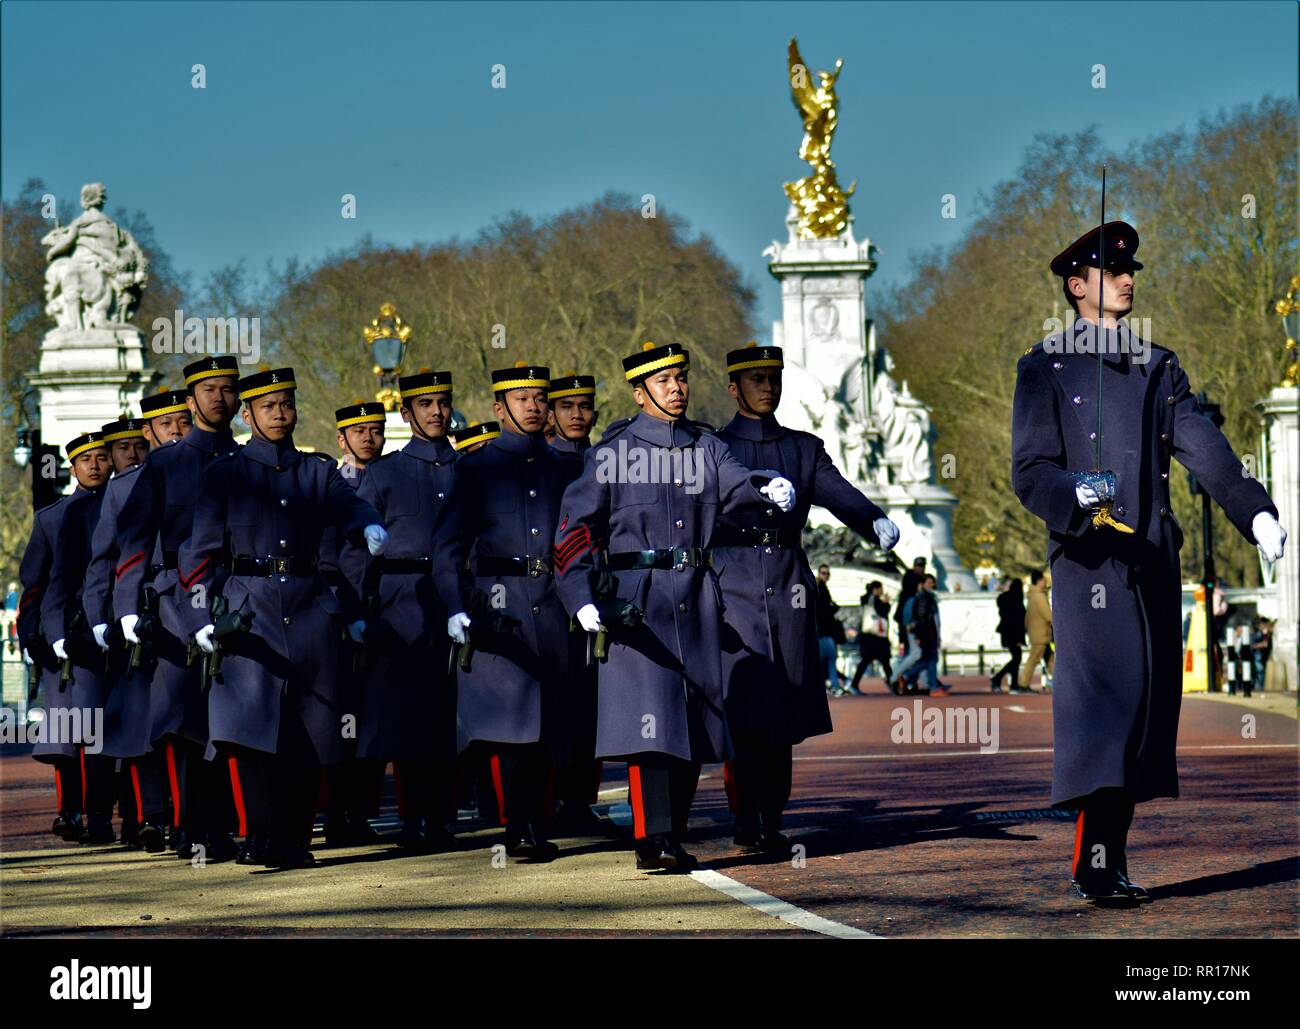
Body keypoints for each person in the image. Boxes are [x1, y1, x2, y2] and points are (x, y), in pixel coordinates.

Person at [1012, 219, 1287, 904]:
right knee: (1107, 711)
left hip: (1151, 565)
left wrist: (1253, 509)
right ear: (1077, 285)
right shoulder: (1043, 366)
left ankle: (1107, 858)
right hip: (1090, 565)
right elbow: (1029, 469)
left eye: (1131, 270)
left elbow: (1206, 447)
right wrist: (1069, 493)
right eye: (1112, 271)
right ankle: (1096, 863)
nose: (1129, 279)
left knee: (1140, 721)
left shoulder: (1157, 365)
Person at [554, 341, 797, 871]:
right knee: (652, 723)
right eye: (664, 382)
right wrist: (580, 598)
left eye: (681, 378)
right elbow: (573, 530)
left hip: (696, 596)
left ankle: (672, 833)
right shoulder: (612, 454)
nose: (678, 388)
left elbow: (736, 482)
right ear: (640, 393)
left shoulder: (705, 447)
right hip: (637, 601)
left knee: (689, 720)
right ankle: (653, 837)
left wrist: (765, 486)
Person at [176, 366, 388, 869]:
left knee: (310, 732)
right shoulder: (225, 474)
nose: (279, 414)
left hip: (310, 606)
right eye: (268, 406)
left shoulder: (316, 471)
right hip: (250, 609)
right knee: (252, 731)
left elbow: (347, 505)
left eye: (286, 404)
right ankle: (261, 835)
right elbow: (199, 553)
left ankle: (295, 838)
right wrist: (201, 615)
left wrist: (369, 523)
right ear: (248, 414)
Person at [713, 342, 897, 849]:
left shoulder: (803, 447)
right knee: (745, 705)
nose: (767, 387)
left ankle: (772, 814)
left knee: (783, 707)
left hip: (789, 579)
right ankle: (746, 816)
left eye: (772, 379)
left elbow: (837, 492)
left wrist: (871, 518)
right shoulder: (714, 447)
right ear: (734, 388)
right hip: (734, 580)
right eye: (755, 380)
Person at [434, 362, 581, 862]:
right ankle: (518, 826)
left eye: (541, 399)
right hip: (501, 604)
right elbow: (449, 545)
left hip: (552, 600)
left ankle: (535, 822)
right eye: (523, 400)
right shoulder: (477, 467)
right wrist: (454, 606)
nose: (536, 407)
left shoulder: (565, 466)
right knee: (514, 723)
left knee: (546, 724)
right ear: (500, 409)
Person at [115, 358, 243, 859]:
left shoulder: (250, 458)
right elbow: (133, 540)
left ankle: (227, 824)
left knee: (232, 712)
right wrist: (127, 605)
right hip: (175, 596)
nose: (219, 398)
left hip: (240, 589)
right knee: (182, 715)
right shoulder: (164, 465)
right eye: (208, 390)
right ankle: (186, 824)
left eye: (228, 390)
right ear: (191, 401)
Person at [342, 373, 461, 852]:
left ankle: (443, 817)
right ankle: (415, 819)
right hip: (401, 604)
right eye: (425, 405)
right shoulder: (384, 473)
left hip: (458, 601)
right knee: (409, 718)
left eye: (443, 403)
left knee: (450, 715)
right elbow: (356, 550)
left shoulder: (471, 469)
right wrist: (356, 611)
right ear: (407, 415)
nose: (437, 412)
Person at [84, 409, 188, 854]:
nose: (178, 432)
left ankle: (192, 819)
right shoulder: (123, 488)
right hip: (148, 608)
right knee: (145, 715)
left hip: (204, 597)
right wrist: (105, 618)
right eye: (168, 426)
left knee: (193, 719)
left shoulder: (220, 471)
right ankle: (151, 815)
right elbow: (103, 560)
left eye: (184, 422)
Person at [26, 432, 113, 843]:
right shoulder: (51, 517)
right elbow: (34, 585)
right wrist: (32, 633)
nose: (94, 465)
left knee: (103, 732)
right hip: (62, 633)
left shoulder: (125, 509)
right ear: (72, 467)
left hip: (112, 630)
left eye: (101, 457)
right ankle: (71, 812)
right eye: (85, 459)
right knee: (68, 732)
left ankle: (101, 817)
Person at [319, 400, 387, 847]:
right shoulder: (329, 488)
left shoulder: (392, 479)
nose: (369, 438)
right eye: (359, 431)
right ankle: (336, 812)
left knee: (374, 721)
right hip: (343, 617)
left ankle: (361, 811)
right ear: (342, 439)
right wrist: (347, 614)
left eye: (376, 430)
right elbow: (327, 560)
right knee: (340, 720)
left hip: (385, 615)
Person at [545, 371, 605, 832]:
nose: (578, 415)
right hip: (556, 594)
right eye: (567, 407)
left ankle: (582, 800)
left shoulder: (606, 461)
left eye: (585, 407)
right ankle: (558, 800)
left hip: (602, 590)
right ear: (552, 413)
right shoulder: (547, 465)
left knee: (594, 703)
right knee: (561, 700)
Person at [849, 581, 894, 693]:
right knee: (884, 661)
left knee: (868, 661)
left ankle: (854, 684)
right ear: (876, 589)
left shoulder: (866, 599)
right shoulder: (875, 599)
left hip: (868, 637)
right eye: (880, 589)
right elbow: (883, 612)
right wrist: (887, 603)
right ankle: (893, 682)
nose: (882, 591)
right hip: (875, 637)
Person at [813, 564, 849, 696]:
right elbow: (823, 611)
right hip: (822, 630)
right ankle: (834, 685)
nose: (825, 576)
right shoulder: (820, 588)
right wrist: (833, 608)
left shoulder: (820, 587)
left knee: (826, 659)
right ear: (818, 573)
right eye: (823, 573)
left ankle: (832, 685)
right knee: (830, 657)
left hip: (822, 630)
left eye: (827, 573)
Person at [1018, 569, 1052, 694]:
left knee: (1051, 659)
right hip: (1041, 634)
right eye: (1043, 579)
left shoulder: (1032, 596)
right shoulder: (1039, 596)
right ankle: (1023, 684)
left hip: (1036, 633)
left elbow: (1027, 618)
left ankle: (1061, 684)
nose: (1045, 581)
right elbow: (1048, 615)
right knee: (1034, 660)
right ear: (1038, 581)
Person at [991, 578, 1026, 692]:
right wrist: (1020, 638)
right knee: (1016, 658)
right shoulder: (1016, 600)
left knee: (1016, 658)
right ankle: (999, 678)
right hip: (1014, 634)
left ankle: (1012, 684)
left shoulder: (1004, 598)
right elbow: (1019, 621)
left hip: (1006, 632)